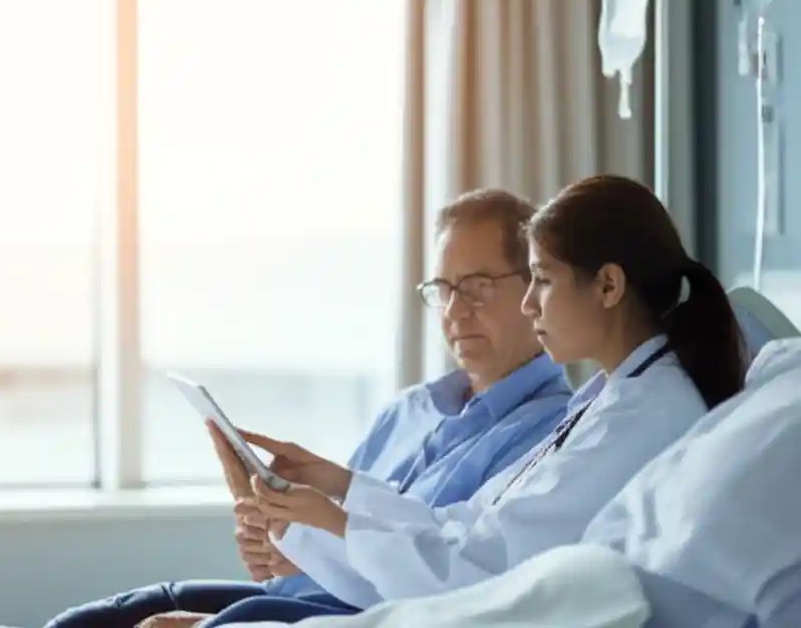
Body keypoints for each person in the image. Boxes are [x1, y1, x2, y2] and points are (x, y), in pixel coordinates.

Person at [223, 175, 745, 625]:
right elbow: (469, 524)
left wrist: (335, 521)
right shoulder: (617, 398)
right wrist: (341, 490)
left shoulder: (643, 418)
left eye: (541, 279)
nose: (527, 302)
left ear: (608, 285)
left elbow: (481, 572)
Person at [44, 190, 572, 628]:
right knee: (94, 620)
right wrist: (275, 542)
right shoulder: (409, 411)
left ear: (534, 289)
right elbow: (333, 536)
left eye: (477, 287)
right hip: (303, 595)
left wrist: (305, 553)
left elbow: (448, 581)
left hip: (349, 617)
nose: (456, 310)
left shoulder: (552, 434)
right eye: (443, 289)